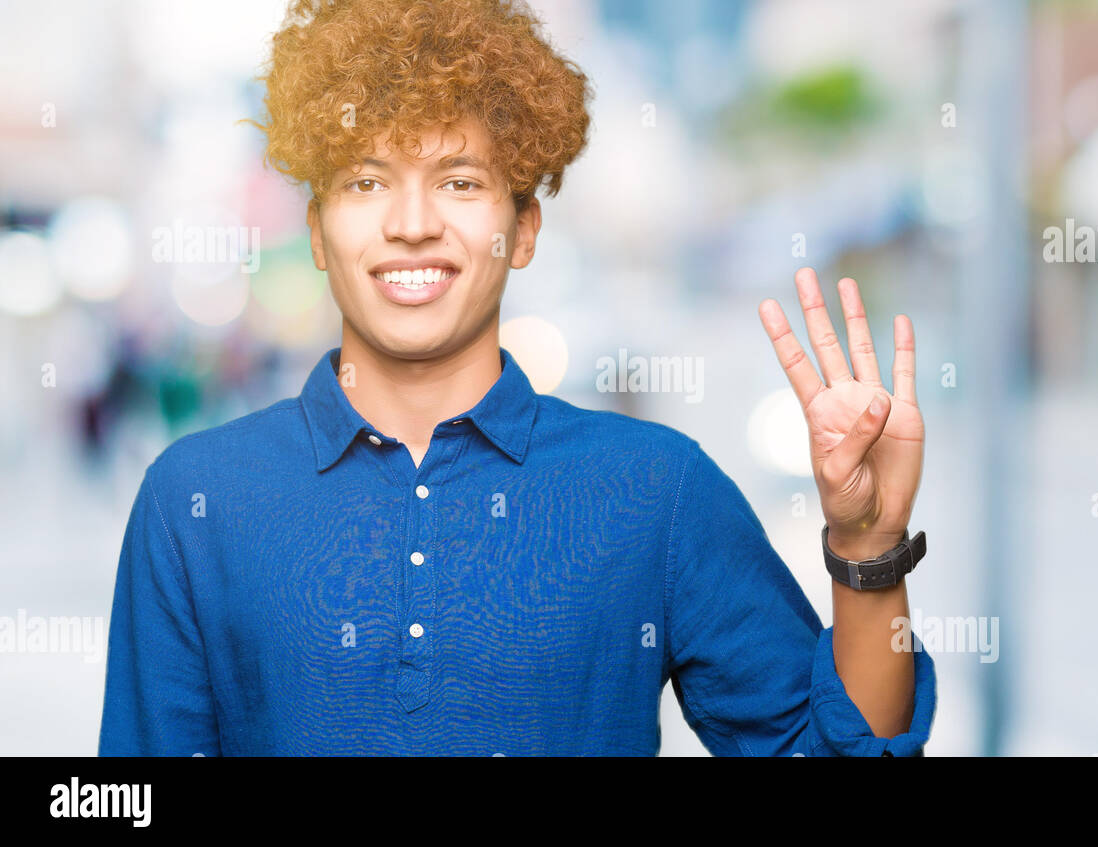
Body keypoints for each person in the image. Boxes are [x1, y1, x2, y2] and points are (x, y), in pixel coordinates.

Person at [98, 0, 936, 756]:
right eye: (367, 181)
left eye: (460, 182)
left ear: (524, 228)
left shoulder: (658, 489)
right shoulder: (194, 499)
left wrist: (870, 548)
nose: (413, 223)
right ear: (318, 231)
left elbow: (829, 752)